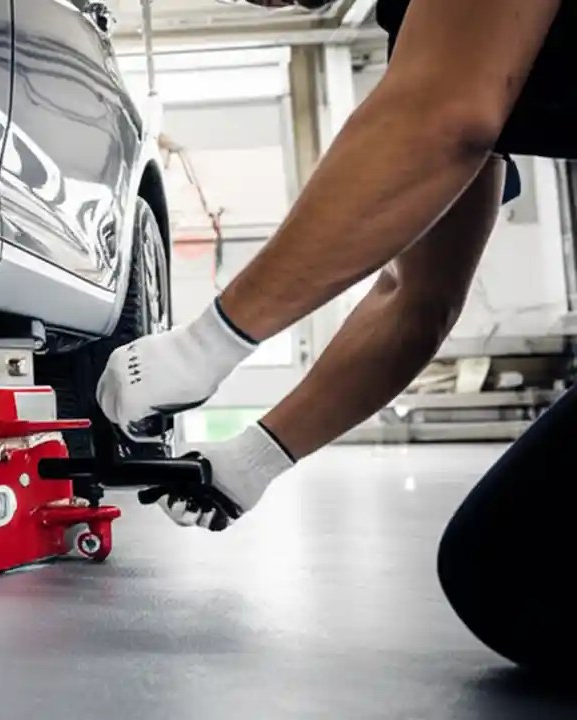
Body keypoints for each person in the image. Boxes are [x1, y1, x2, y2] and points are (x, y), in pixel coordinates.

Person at [97, 0, 576, 671]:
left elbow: (444, 123)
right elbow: (415, 297)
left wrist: (204, 345)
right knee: (504, 574)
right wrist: (254, 460)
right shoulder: (420, 26)